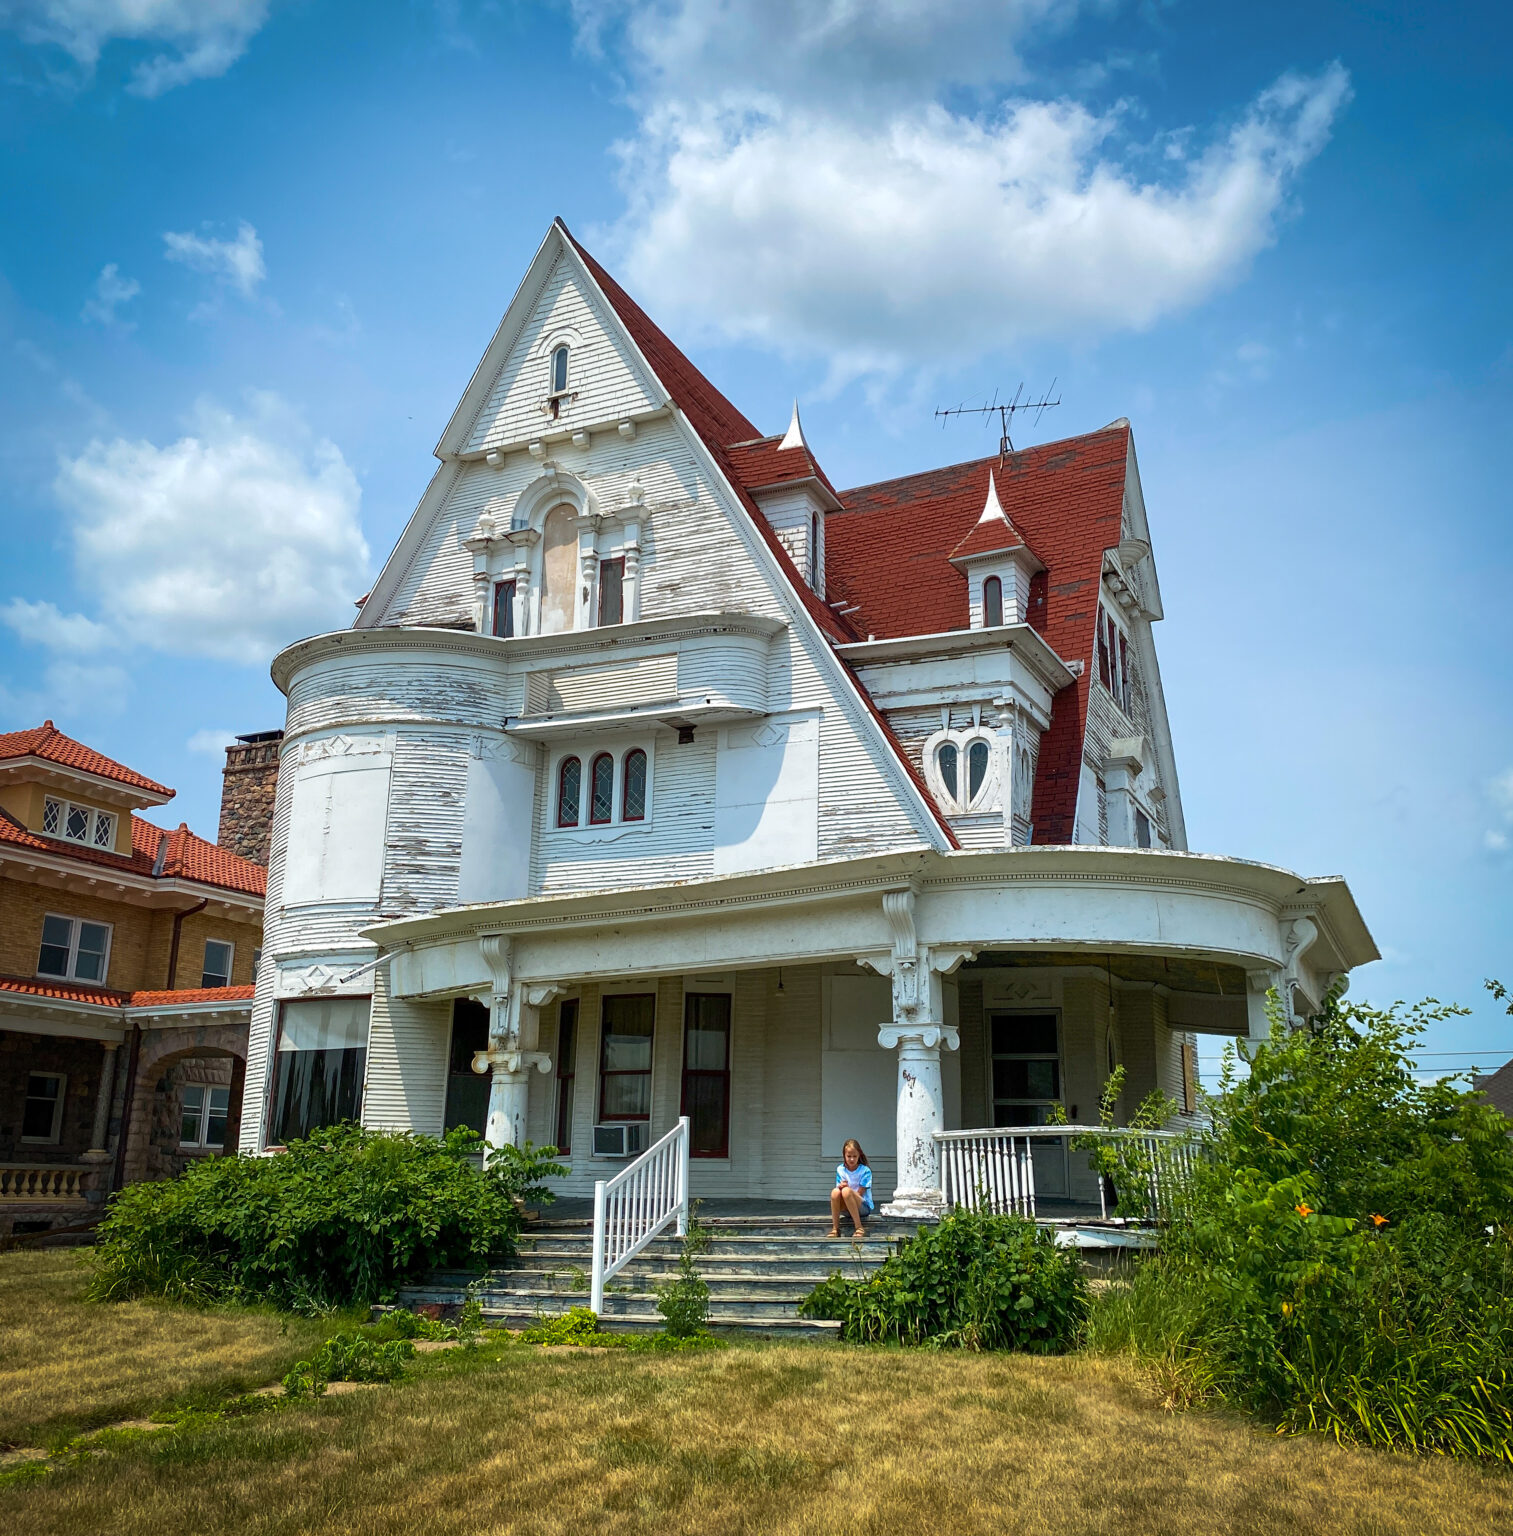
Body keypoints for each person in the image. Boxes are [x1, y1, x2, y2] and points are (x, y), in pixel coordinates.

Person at [829, 1138, 874, 1238]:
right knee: (835, 1192)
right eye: (849, 1156)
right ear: (844, 1156)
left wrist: (847, 1190)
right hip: (847, 1208)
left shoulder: (865, 1171)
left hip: (862, 1207)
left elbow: (860, 1194)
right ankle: (835, 1228)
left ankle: (859, 1227)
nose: (852, 1159)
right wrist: (840, 1187)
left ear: (859, 1156)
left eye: (855, 1156)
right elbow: (839, 1191)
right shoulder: (840, 1169)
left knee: (846, 1191)